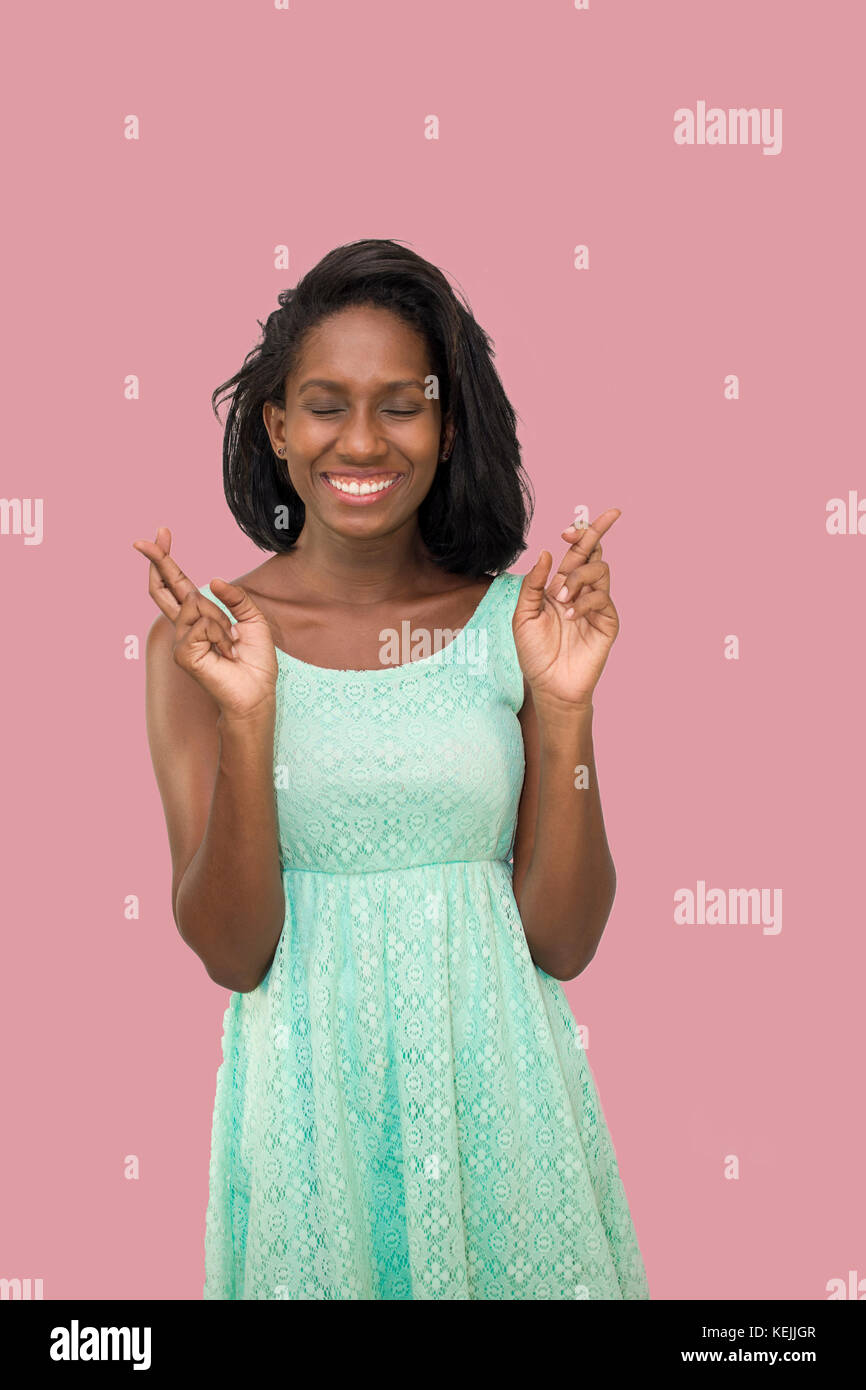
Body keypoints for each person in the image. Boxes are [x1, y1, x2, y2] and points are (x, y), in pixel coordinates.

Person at [133, 238, 650, 1300]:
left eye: (399, 403)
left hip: (504, 1121)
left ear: (446, 424)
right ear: (276, 427)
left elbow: (564, 935)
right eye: (324, 403)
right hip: (312, 1138)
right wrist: (248, 718)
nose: (360, 439)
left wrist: (563, 707)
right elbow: (234, 951)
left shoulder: (519, 623)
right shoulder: (208, 641)